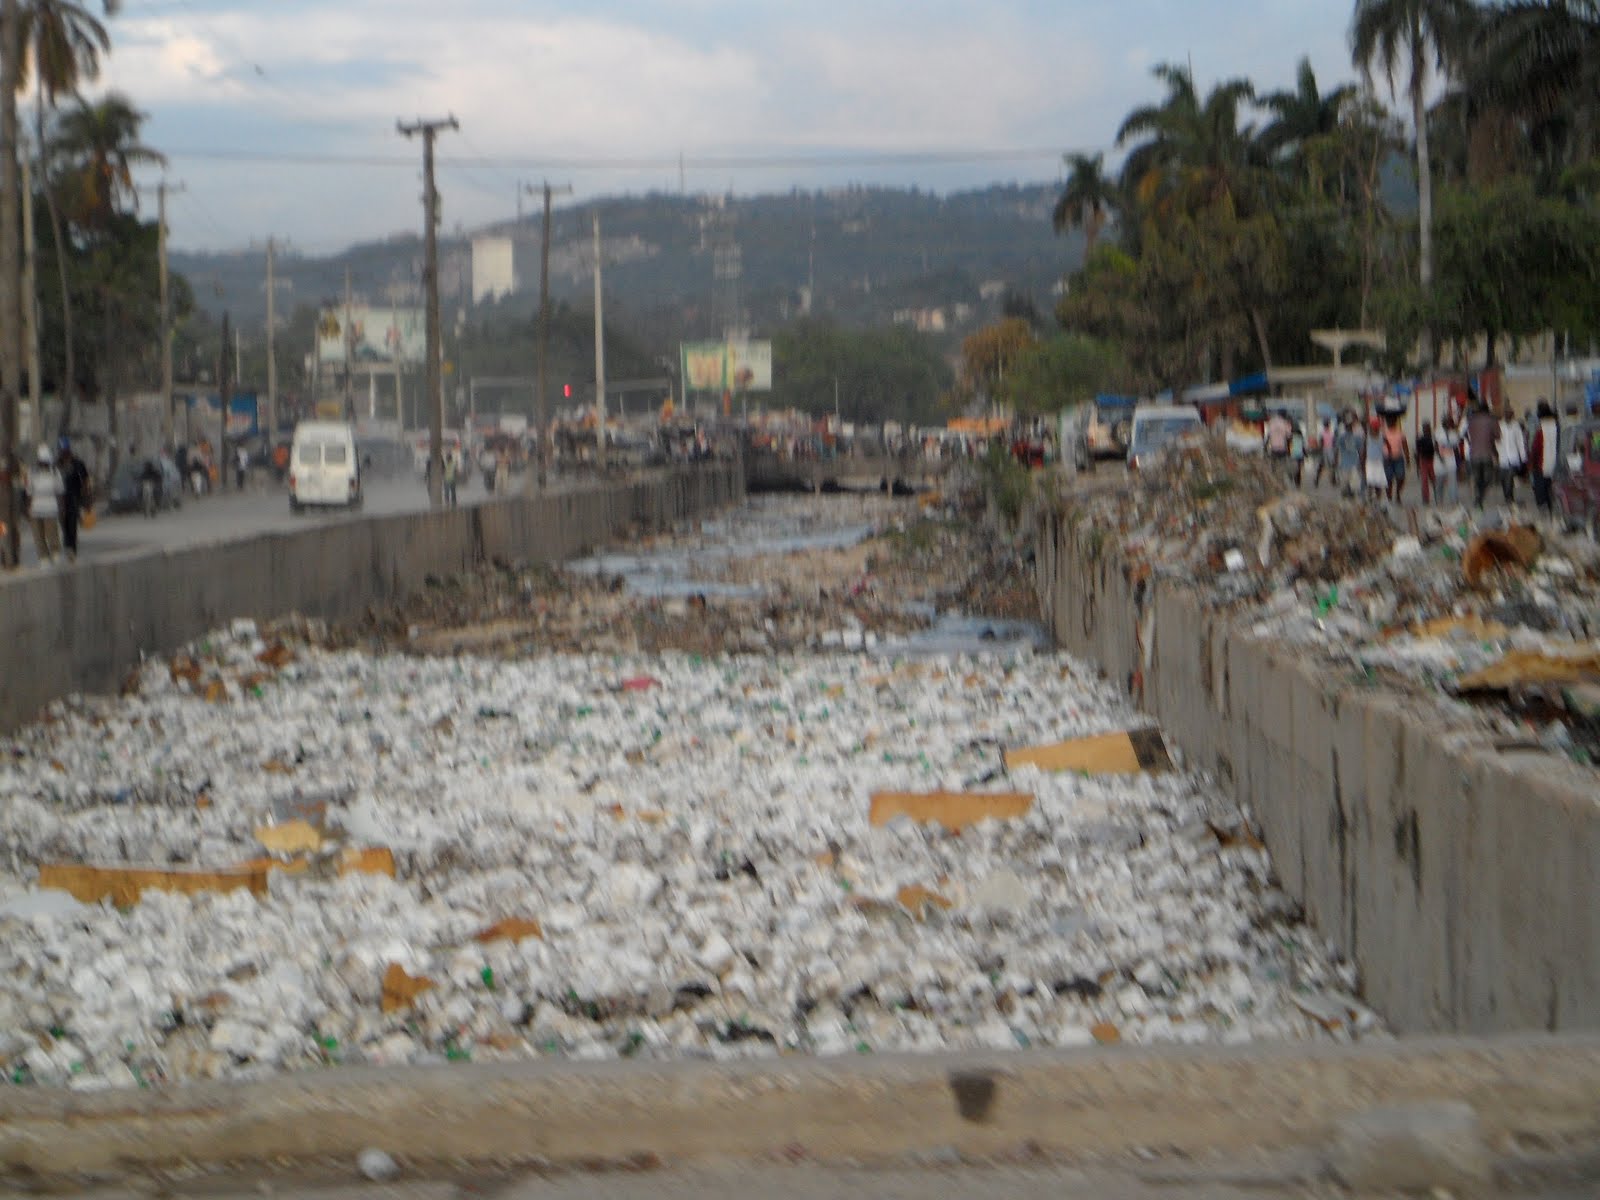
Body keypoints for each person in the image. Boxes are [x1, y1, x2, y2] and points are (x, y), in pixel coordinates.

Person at [26, 444, 63, 564]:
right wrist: (29, 507)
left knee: (52, 533)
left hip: (51, 508)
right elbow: (29, 491)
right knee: (38, 535)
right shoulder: (32, 473)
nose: (44, 464)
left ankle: (55, 553)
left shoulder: (55, 473)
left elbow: (60, 491)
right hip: (36, 508)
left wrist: (61, 507)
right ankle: (43, 557)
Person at [56, 439, 90, 562]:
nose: (64, 453)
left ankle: (72, 547)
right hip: (60, 498)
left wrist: (86, 496)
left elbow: (85, 480)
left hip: (74, 497)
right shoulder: (57, 464)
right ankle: (67, 543)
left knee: (72, 522)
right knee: (63, 522)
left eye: (66, 451)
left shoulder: (78, 463)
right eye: (62, 451)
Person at [1465, 398, 1499, 510]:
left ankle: (1478, 496)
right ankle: (1480, 496)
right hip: (1487, 453)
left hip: (1474, 454)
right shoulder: (1492, 420)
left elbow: (1467, 434)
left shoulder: (1471, 420)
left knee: (1477, 477)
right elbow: (1498, 436)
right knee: (1488, 478)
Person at [1529, 400, 1560, 523]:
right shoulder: (1558, 427)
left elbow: (1535, 448)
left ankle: (1544, 510)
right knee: (1551, 489)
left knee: (1541, 489)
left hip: (1541, 465)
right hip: (1556, 465)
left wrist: (1531, 463)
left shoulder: (1540, 430)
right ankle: (1552, 508)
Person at [1498, 404, 1527, 505]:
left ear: (1512, 415)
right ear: (1503, 415)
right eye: (1506, 414)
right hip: (1502, 457)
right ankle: (1507, 496)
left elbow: (1520, 442)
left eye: (1510, 414)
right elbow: (1495, 441)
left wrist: (1523, 457)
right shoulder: (1499, 425)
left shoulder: (1516, 426)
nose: (1508, 415)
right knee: (1503, 479)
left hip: (1513, 457)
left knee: (1510, 478)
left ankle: (1509, 498)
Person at [1435, 415, 1462, 507]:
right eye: (1448, 422)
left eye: (1451, 422)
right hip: (1440, 461)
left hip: (1451, 460)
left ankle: (1453, 500)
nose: (1449, 424)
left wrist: (1459, 463)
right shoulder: (1438, 432)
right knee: (1440, 482)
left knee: (1452, 482)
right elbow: (1436, 446)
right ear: (1443, 423)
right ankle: (1439, 500)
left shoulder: (1454, 433)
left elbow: (1456, 448)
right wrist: (1440, 457)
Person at [1336, 411, 1364, 497]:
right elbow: (1337, 450)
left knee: (1354, 487)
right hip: (1344, 464)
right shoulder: (1341, 437)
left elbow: (1361, 451)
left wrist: (1361, 463)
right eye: (1347, 425)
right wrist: (1336, 463)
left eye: (1349, 425)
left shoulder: (1357, 437)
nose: (1348, 427)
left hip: (1354, 464)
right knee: (1344, 486)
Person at [1381, 415, 1409, 503]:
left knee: (1401, 477)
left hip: (1398, 458)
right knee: (1388, 479)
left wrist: (1408, 458)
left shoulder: (1400, 433)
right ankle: (1389, 496)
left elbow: (1405, 446)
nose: (1390, 423)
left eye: (1392, 421)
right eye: (1389, 421)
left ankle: (1397, 494)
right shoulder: (1383, 433)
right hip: (1387, 458)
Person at [1415, 421, 1437, 506]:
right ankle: (1425, 498)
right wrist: (1418, 466)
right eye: (1425, 428)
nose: (1426, 430)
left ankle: (1437, 495)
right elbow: (1417, 452)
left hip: (1432, 460)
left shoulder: (1433, 438)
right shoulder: (1420, 439)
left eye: (1427, 428)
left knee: (1434, 479)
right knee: (1424, 481)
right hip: (1423, 460)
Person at [1314, 417, 1337, 488]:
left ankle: (1317, 480)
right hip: (1329, 450)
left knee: (1321, 466)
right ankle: (1333, 480)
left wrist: (1320, 451)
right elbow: (1333, 443)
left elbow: (1321, 443)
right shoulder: (1331, 433)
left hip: (1325, 450)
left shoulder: (1322, 433)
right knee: (1331, 466)